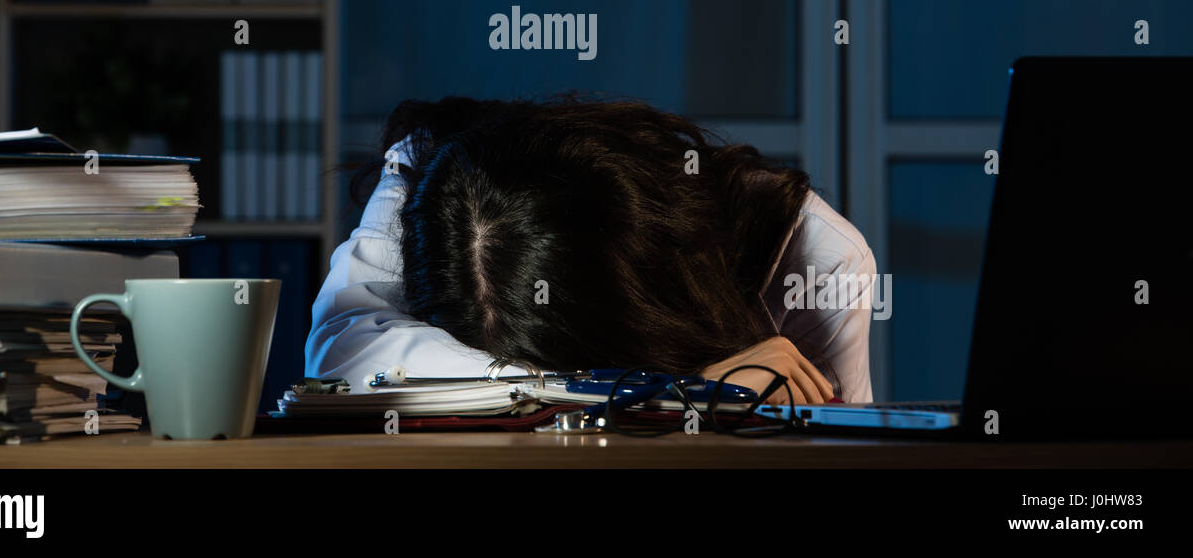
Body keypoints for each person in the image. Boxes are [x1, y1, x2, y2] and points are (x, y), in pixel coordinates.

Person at [305, 96, 876, 403]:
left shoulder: (813, 254)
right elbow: (340, 359)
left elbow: (835, 455)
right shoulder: (424, 170)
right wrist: (674, 395)